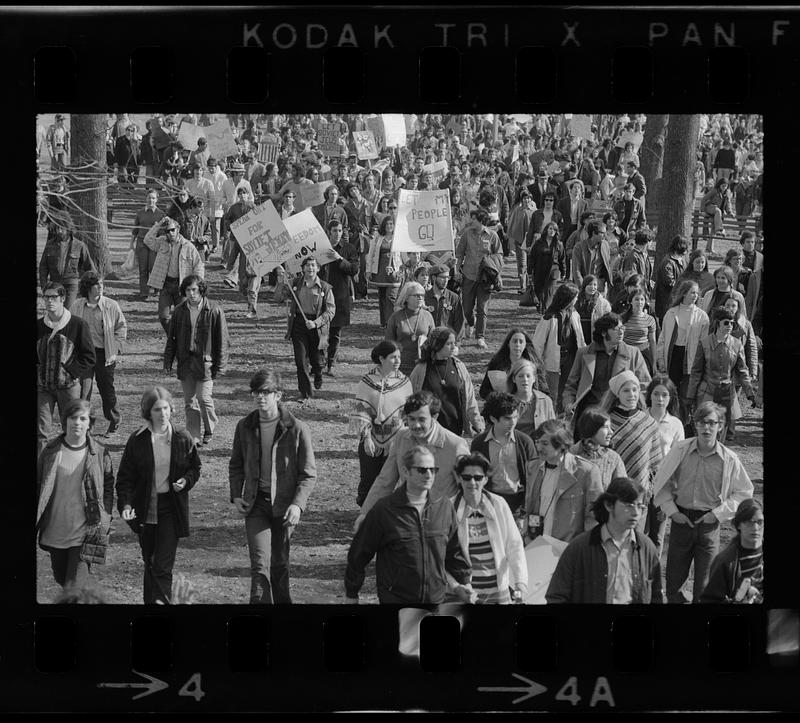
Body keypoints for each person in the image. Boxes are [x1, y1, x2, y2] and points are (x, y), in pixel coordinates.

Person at [229, 369, 318, 604]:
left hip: (284, 507)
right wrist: (236, 494)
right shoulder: (244, 426)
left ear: (278, 395)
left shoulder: (297, 429)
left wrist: (298, 505)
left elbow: (308, 474)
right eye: (256, 392)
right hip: (256, 504)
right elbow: (236, 464)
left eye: (265, 392)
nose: (260, 397)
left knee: (279, 566)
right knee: (260, 566)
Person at [345, 445, 475, 604]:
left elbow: (454, 552)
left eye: (433, 470)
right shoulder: (384, 510)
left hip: (436, 600)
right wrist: (352, 593)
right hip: (396, 600)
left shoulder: (444, 506)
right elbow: (359, 553)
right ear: (405, 472)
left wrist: (464, 584)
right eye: (422, 470)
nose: (429, 475)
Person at [653, 401, 754, 604]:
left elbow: (744, 492)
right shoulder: (680, 450)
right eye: (702, 422)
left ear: (720, 426)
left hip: (709, 526)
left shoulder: (729, 459)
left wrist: (717, 514)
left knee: (706, 588)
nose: (707, 428)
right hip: (681, 522)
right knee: (674, 584)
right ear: (695, 424)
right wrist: (673, 512)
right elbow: (661, 481)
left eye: (712, 423)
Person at [115, 386, 202, 605]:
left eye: (165, 408)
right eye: (156, 409)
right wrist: (126, 505)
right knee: (151, 563)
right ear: (148, 412)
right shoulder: (137, 440)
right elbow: (125, 478)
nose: (162, 414)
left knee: (162, 566)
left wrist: (186, 481)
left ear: (171, 409)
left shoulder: (183, 437)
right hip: (145, 508)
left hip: (171, 508)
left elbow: (195, 467)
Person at [356, 391, 470, 527]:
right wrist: (366, 514)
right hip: (407, 520)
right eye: (411, 419)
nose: (416, 425)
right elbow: (385, 481)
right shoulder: (401, 438)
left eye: (421, 419)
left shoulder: (455, 445)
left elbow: (470, 488)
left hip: (442, 524)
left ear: (435, 416)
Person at [545, 476, 663, 604]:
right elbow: (556, 596)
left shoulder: (646, 548)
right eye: (629, 505)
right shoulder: (579, 548)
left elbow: (656, 595)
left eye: (640, 506)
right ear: (609, 505)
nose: (636, 512)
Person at [36, 399, 114, 592]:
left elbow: (108, 486)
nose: (77, 422)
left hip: (84, 532)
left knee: (73, 587)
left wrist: (105, 516)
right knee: (62, 578)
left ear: (90, 424)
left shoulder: (100, 453)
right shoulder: (50, 452)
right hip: (56, 531)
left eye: (82, 418)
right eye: (73, 418)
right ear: (65, 421)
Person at [446, 452, 528, 604]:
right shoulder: (448, 508)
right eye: (466, 477)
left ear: (485, 479)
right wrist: (456, 586)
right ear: (459, 478)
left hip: (498, 593)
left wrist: (520, 583)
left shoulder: (499, 504)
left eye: (478, 478)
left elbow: (515, 546)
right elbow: (442, 557)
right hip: (464, 594)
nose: (472, 482)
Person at [163, 275, 229, 446]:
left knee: (203, 398)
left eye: (194, 289)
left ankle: (209, 428)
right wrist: (168, 360)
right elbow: (172, 338)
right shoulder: (179, 310)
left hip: (205, 363)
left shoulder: (214, 310)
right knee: (190, 402)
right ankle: (194, 436)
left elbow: (222, 340)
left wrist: (220, 366)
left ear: (201, 290)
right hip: (185, 362)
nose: (191, 294)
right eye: (188, 290)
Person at [349, 341, 413, 507]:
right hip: (371, 440)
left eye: (399, 357)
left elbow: (408, 413)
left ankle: (386, 513)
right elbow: (362, 411)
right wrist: (367, 438)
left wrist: (402, 437)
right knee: (369, 480)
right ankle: (366, 512)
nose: (398, 361)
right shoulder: (367, 382)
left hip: (396, 440)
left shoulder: (405, 382)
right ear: (381, 359)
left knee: (391, 480)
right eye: (393, 357)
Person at [563, 312, 652, 430]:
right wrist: (568, 402)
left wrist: (638, 409)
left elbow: (645, 385)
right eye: (616, 329)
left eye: (622, 328)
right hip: (589, 415)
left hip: (621, 415)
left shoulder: (633, 353)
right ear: (604, 333)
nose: (621, 332)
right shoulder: (584, 353)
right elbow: (571, 385)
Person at [37, 282, 96, 454]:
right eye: (46, 297)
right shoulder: (38, 325)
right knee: (41, 432)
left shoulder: (78, 324)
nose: (49, 301)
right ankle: (41, 468)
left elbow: (89, 357)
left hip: (68, 387)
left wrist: (70, 371)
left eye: (53, 297)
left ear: (63, 298)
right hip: (43, 387)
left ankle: (72, 463)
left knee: (72, 428)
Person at [523, 419, 603, 543]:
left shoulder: (586, 471)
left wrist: (584, 547)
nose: (538, 448)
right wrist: (527, 537)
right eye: (537, 442)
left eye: (545, 444)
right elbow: (529, 507)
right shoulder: (533, 467)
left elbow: (594, 517)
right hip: (536, 543)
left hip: (568, 547)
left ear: (562, 445)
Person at [687, 306, 756, 443]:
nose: (730, 326)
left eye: (732, 323)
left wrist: (750, 392)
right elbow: (696, 372)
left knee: (723, 433)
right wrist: (690, 396)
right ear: (717, 323)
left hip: (727, 394)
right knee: (705, 429)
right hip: (707, 392)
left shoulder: (737, 344)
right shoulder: (704, 343)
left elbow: (742, 370)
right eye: (726, 322)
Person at [70, 272, 127, 436]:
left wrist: (116, 348)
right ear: (88, 287)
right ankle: (85, 425)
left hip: (104, 354)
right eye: (96, 284)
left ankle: (114, 419)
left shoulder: (111, 305)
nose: (100, 287)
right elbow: (70, 327)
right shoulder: (77, 306)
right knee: (83, 392)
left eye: (102, 283)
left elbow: (121, 327)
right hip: (84, 355)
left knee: (106, 391)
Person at [274, 257, 336, 401]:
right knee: (301, 361)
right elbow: (278, 298)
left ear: (318, 268)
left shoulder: (325, 288)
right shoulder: (295, 284)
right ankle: (305, 392)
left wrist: (316, 323)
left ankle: (318, 373)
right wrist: (281, 281)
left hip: (318, 328)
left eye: (313, 265)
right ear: (302, 268)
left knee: (317, 360)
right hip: (299, 325)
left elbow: (330, 311)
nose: (310, 268)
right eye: (307, 265)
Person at [471, 392, 537, 517]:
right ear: (493, 419)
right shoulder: (479, 444)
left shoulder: (525, 442)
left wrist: (524, 512)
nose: (513, 422)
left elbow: (534, 480)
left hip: (517, 505)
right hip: (489, 503)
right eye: (507, 418)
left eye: (515, 417)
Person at [409, 326, 484, 437]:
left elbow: (470, 399)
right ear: (437, 345)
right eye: (449, 344)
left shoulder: (459, 367)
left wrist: (478, 425)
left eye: (454, 343)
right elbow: (410, 397)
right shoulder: (421, 369)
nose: (453, 347)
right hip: (428, 432)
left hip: (455, 431)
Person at [655, 280, 710, 424]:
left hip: (690, 357)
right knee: (671, 391)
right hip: (674, 355)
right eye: (692, 292)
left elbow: (704, 344)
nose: (695, 296)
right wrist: (660, 360)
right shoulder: (671, 313)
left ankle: (684, 423)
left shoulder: (702, 316)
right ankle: (670, 419)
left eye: (697, 293)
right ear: (684, 293)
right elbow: (662, 338)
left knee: (686, 394)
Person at [143, 216, 205, 334]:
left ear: (178, 229)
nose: (170, 233)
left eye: (172, 230)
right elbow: (147, 240)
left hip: (182, 287)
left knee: (183, 318)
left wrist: (197, 285)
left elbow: (199, 265)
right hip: (165, 284)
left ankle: (180, 340)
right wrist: (159, 225)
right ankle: (173, 337)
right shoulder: (161, 242)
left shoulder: (188, 246)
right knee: (163, 316)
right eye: (167, 231)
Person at [455, 207, 504, 349]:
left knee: (482, 308)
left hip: (485, 279)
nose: (471, 221)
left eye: (474, 219)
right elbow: (460, 253)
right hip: (468, 276)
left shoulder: (493, 236)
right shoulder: (466, 234)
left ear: (481, 221)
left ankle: (480, 337)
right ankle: (471, 323)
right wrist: (456, 270)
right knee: (466, 308)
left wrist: (493, 268)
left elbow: (499, 255)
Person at [700, 498, 764, 604]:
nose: (755, 528)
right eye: (749, 522)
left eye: (760, 522)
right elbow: (709, 600)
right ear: (738, 525)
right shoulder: (725, 562)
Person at [318, 220, 360, 376]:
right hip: (321, 296)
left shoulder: (348, 248)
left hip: (340, 296)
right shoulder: (321, 247)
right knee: (322, 331)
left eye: (340, 230)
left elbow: (354, 269)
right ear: (329, 231)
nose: (337, 233)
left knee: (335, 332)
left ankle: (331, 364)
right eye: (335, 230)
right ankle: (319, 363)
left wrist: (339, 258)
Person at [39, 213, 97, 310]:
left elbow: (90, 268)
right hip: (55, 284)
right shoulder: (50, 245)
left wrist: (91, 286)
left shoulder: (79, 245)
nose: (59, 231)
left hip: (71, 285)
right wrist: (44, 286)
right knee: (55, 310)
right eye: (57, 228)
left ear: (68, 228)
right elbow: (43, 267)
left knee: (68, 310)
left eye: (62, 228)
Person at [385, 281, 436, 376]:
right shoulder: (396, 317)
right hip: (400, 365)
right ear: (407, 298)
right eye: (416, 295)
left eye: (422, 295)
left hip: (422, 364)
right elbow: (389, 342)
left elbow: (434, 341)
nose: (420, 298)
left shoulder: (427, 316)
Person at [479, 327, 546, 400]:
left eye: (521, 342)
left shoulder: (534, 365)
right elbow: (484, 390)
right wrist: (497, 397)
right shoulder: (497, 363)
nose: (517, 344)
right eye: (514, 341)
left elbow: (544, 391)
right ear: (508, 344)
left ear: (525, 345)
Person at [570, 407, 627, 491]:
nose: (611, 432)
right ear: (592, 428)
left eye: (610, 427)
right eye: (606, 427)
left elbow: (622, 491)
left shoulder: (613, 458)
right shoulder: (569, 455)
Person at [366, 215, 403, 327]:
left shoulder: (398, 238)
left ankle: (391, 322)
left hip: (394, 270)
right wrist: (368, 270)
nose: (389, 226)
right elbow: (371, 253)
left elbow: (403, 255)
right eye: (387, 224)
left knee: (391, 297)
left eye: (391, 224)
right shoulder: (378, 237)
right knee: (382, 297)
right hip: (380, 270)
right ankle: (384, 322)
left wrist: (403, 268)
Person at [506, 358, 556, 440]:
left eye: (528, 376)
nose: (525, 379)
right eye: (520, 376)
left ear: (534, 378)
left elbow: (553, 430)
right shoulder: (506, 402)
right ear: (514, 379)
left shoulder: (545, 401)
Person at [130, 189, 165, 299]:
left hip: (154, 244)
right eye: (149, 197)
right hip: (142, 243)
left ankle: (156, 290)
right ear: (146, 198)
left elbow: (162, 231)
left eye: (153, 198)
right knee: (143, 269)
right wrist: (131, 243)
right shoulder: (140, 213)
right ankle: (144, 292)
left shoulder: (160, 214)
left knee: (154, 267)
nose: (151, 200)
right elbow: (135, 229)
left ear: (157, 200)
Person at [529, 220, 566, 310]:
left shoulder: (559, 244)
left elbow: (562, 259)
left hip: (553, 270)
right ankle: (540, 305)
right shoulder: (538, 242)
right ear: (546, 230)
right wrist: (530, 271)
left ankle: (546, 308)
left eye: (554, 229)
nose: (552, 231)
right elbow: (532, 257)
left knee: (549, 290)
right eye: (550, 229)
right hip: (539, 269)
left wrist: (563, 272)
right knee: (539, 289)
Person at [646, 375, 685, 460]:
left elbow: (678, 456)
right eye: (656, 394)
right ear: (650, 395)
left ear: (670, 398)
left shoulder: (676, 424)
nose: (660, 399)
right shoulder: (639, 419)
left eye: (664, 395)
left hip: (666, 467)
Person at [620, 287, 657, 374]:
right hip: (627, 354)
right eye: (636, 299)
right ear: (631, 301)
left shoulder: (650, 319)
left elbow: (652, 341)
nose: (639, 302)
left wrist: (654, 362)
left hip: (644, 355)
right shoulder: (623, 318)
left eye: (642, 299)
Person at [571, 219, 612, 295]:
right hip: (585, 285)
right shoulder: (579, 247)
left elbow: (608, 265)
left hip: (600, 285)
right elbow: (576, 271)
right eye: (602, 233)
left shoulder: (605, 245)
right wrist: (583, 288)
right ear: (593, 233)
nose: (605, 235)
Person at [653, 235, 688, 323]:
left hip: (677, 300)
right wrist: (685, 288)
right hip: (667, 302)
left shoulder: (682, 260)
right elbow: (669, 282)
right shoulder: (668, 262)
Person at [425, 264, 465, 340]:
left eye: (447, 277)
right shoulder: (424, 297)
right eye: (443, 277)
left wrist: (456, 342)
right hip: (428, 340)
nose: (446, 280)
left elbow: (459, 322)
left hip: (447, 340)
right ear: (434, 278)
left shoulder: (454, 298)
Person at [506, 191, 536, 290]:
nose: (526, 200)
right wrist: (511, 239)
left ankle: (530, 284)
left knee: (530, 263)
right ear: (522, 199)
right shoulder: (517, 210)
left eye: (528, 198)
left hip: (531, 242)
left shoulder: (534, 211)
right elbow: (512, 224)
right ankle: (522, 285)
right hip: (519, 241)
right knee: (522, 264)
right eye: (524, 198)